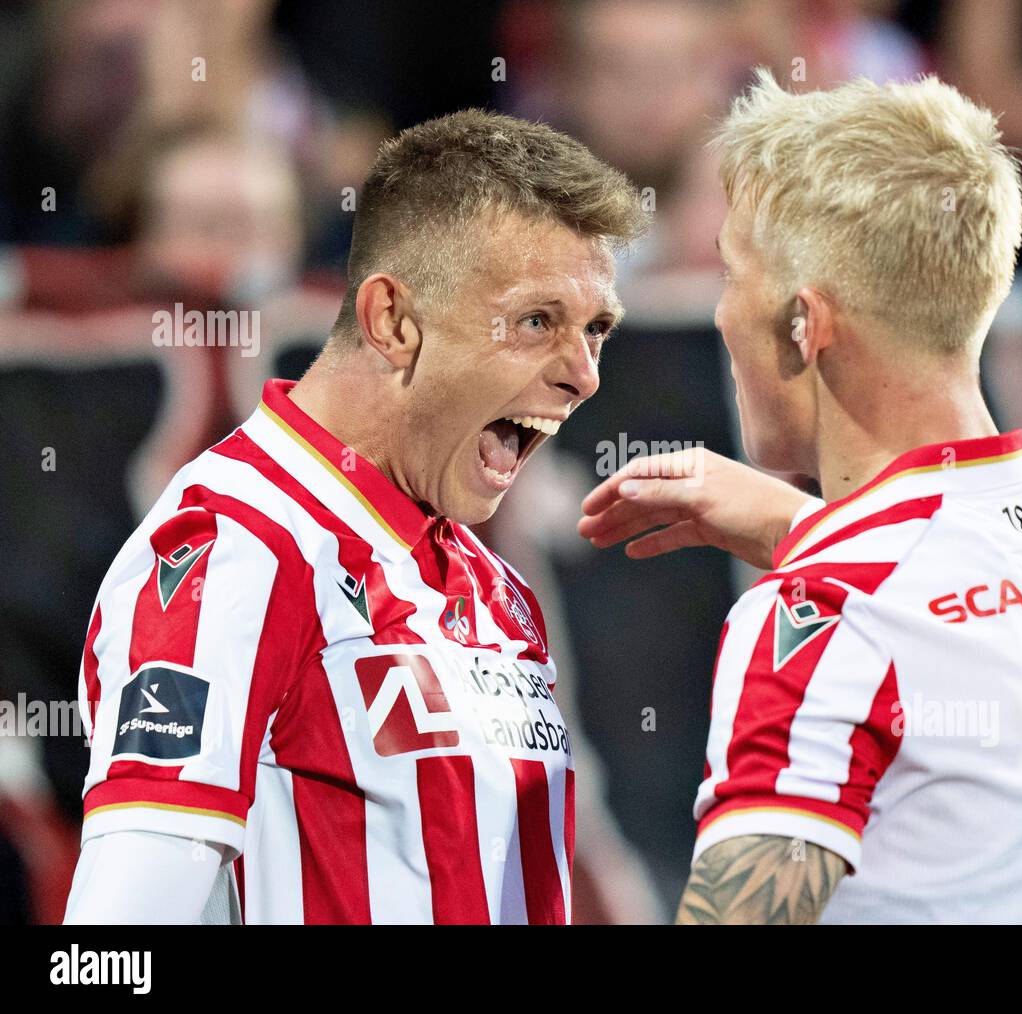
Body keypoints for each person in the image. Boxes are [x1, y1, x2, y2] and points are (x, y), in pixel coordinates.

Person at [579, 70, 1022, 924]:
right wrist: (807, 529)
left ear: (803, 325)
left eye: (731, 275)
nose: (718, 316)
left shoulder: (820, 619)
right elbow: (957, 609)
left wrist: (817, 559)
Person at [63, 110, 647, 924]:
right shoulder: (236, 547)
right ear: (392, 321)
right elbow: (112, 944)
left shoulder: (496, 588)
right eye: (538, 321)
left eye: (597, 329)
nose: (583, 376)